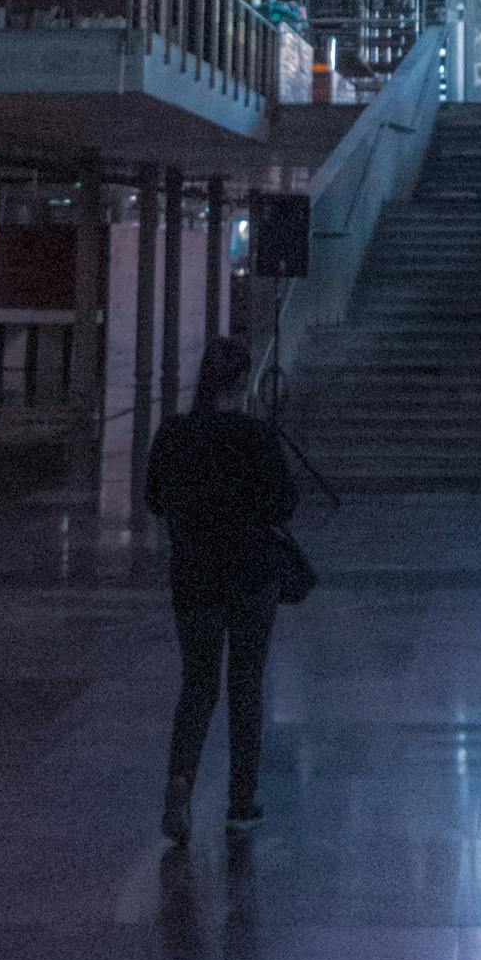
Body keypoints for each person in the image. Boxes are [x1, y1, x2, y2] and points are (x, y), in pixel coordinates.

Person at [144, 334, 296, 845]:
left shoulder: (174, 434)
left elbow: (154, 499)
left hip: (193, 574)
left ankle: (181, 779)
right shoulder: (256, 437)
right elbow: (284, 503)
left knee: (197, 685)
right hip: (252, 574)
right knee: (246, 686)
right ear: (242, 381)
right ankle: (240, 802)